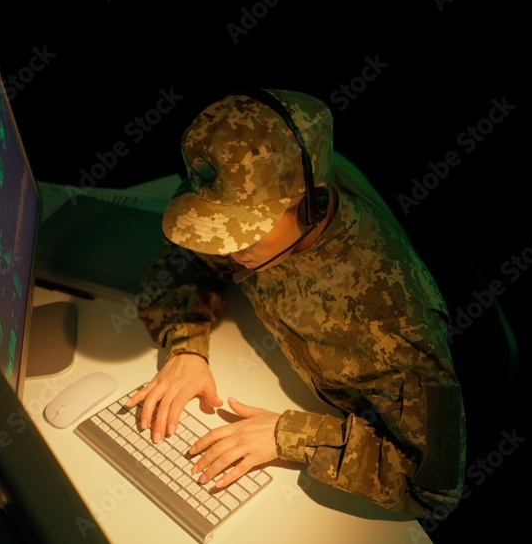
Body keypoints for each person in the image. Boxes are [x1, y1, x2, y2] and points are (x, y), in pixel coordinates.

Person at [126, 89, 466, 520]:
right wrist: (187, 344)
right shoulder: (263, 172)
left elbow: (435, 488)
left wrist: (293, 435)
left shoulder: (391, 316)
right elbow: (187, 260)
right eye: (219, 225)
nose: (226, 247)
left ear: (314, 206)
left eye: (245, 231)